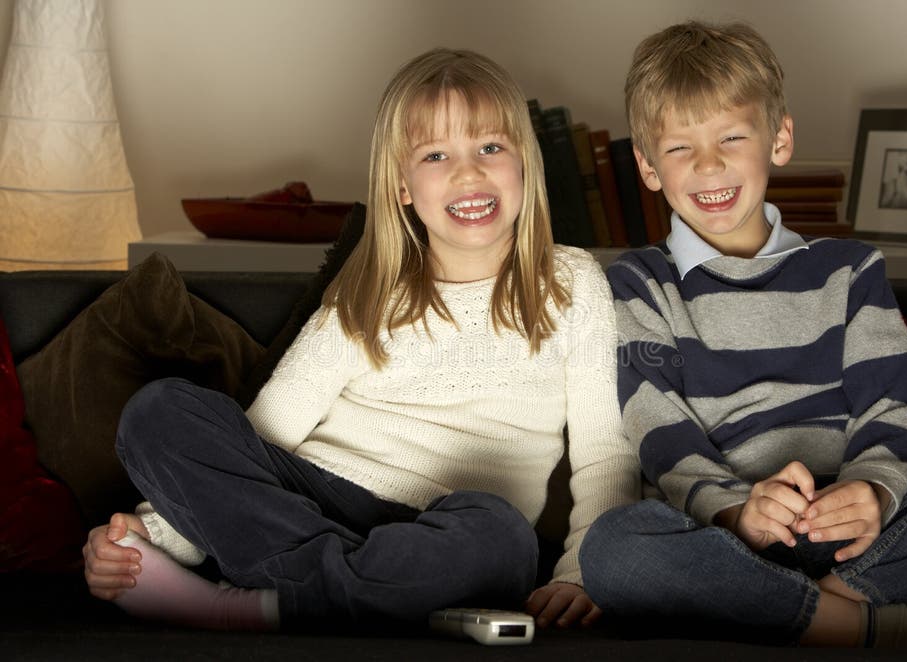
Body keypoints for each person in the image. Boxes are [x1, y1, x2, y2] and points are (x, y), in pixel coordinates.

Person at [82, 47, 640, 633]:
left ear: (525, 162)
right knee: (159, 410)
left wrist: (581, 572)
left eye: (490, 148)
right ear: (402, 186)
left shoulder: (572, 282)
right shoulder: (370, 290)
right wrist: (156, 532)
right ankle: (340, 591)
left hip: (444, 528)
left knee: (502, 536)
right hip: (313, 500)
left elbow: (606, 450)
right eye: (435, 155)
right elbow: (269, 429)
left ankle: (248, 602)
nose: (468, 172)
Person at [577, 21, 907, 648]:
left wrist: (872, 489)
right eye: (680, 147)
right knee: (613, 547)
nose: (709, 165)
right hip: (730, 542)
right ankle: (861, 622)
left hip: (858, 532)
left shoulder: (850, 269)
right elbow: (659, 429)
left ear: (780, 139)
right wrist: (738, 514)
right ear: (648, 166)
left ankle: (825, 603)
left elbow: (892, 401)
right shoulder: (641, 282)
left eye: (732, 137)